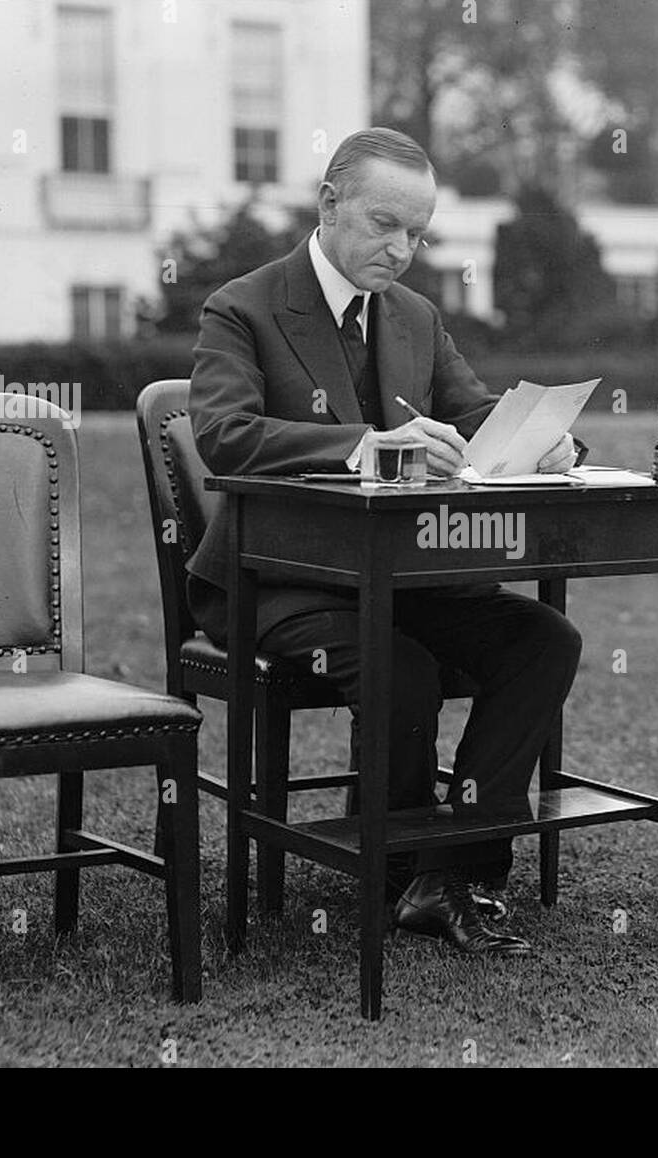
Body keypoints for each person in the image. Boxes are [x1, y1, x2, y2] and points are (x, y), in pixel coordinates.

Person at [186, 128, 583, 956]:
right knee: (397, 665)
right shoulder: (243, 306)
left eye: (419, 233)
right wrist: (361, 444)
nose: (402, 250)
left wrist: (544, 441)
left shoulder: (414, 316)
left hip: (400, 576)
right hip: (278, 580)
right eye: (384, 225)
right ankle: (409, 870)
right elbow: (224, 435)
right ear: (328, 207)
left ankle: (447, 871)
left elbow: (475, 414)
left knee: (543, 640)